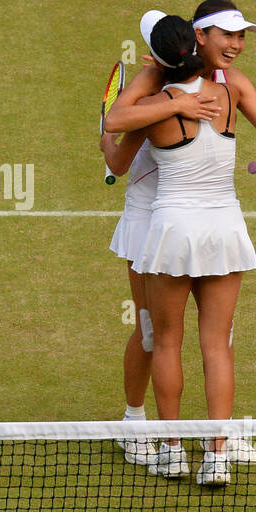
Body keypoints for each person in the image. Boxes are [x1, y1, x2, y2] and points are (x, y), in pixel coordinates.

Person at [109, 1, 256, 485]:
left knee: (165, 341)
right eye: (228, 35)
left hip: (173, 230)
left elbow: (115, 133)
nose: (236, 44)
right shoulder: (229, 95)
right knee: (218, 346)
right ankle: (218, 453)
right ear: (197, 41)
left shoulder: (149, 104)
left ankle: (170, 450)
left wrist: (167, 102)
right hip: (224, 228)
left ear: (160, 58)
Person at [99, 44, 221, 466]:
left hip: (195, 225)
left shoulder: (214, 80)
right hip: (146, 225)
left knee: (219, 336)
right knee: (152, 332)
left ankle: (214, 439)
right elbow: (117, 150)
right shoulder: (150, 91)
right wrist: (107, 142)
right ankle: (133, 423)